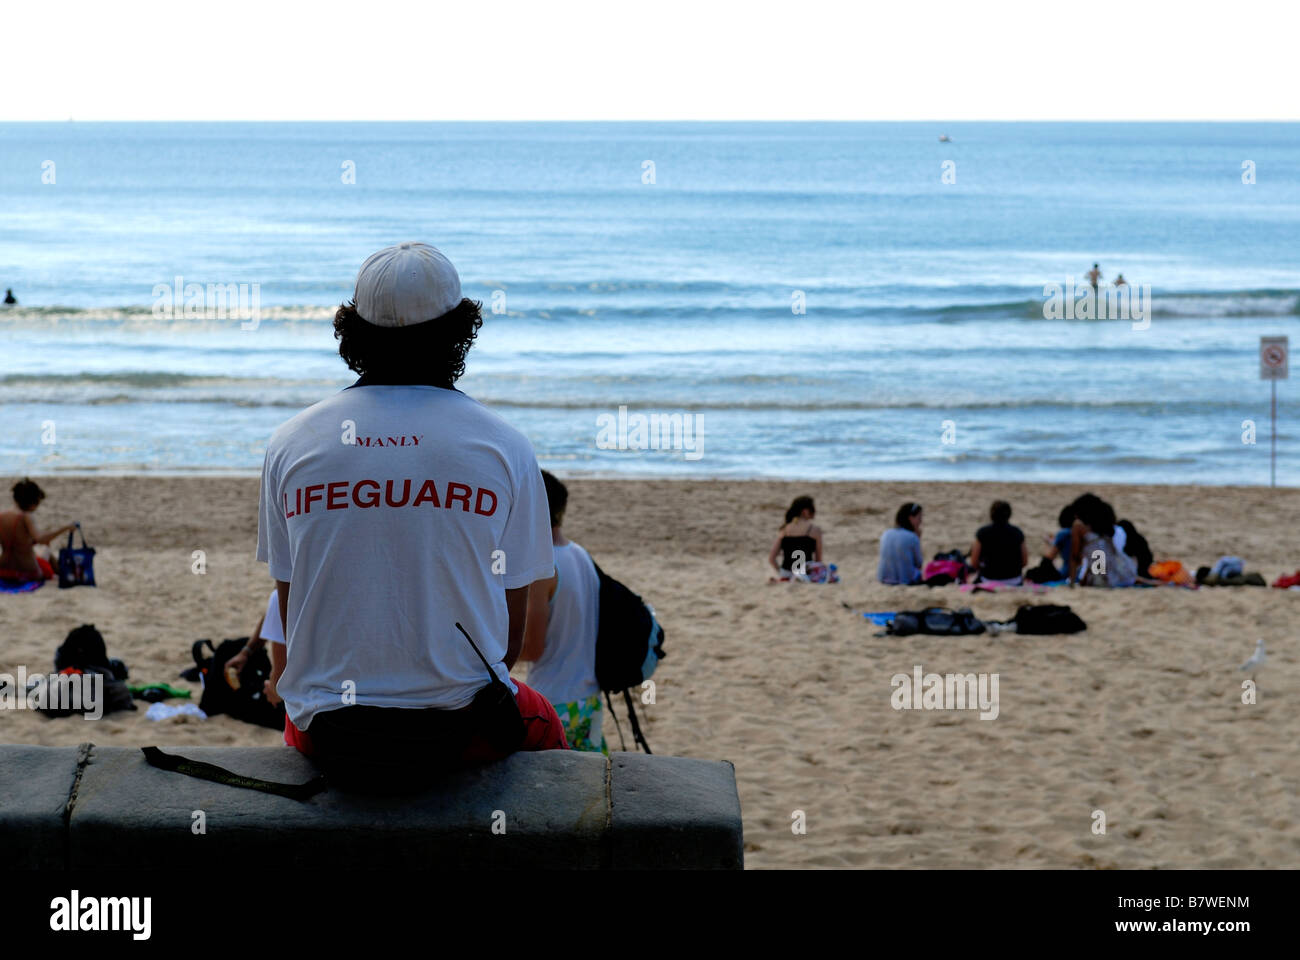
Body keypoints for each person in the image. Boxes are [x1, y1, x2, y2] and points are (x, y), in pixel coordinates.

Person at [256, 242, 568, 794]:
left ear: (351, 330)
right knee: (548, 727)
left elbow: (292, 607)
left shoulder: (291, 442)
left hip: (328, 730)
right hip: (458, 726)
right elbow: (509, 644)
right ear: (460, 333)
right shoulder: (505, 446)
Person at [518, 471, 606, 753]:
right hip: (588, 698)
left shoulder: (543, 567)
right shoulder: (581, 554)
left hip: (552, 702)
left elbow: (532, 649)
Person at [0, 479, 77, 581]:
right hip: (27, 572)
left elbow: (13, 541)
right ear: (32, 502)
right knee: (46, 550)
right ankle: (64, 574)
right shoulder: (25, 516)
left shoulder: (2, 516)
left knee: (42, 550)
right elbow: (41, 539)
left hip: (4, 571)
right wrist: (65, 528)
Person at [1072, 494, 1136, 587]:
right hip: (1119, 572)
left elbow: (1075, 557)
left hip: (1102, 576)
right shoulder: (1104, 528)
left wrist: (1072, 582)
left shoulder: (1079, 527)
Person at [969, 500, 1027, 584]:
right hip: (1014, 579)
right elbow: (1024, 562)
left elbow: (974, 562)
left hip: (989, 579)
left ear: (991, 515)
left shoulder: (983, 532)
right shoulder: (1017, 532)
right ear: (1009, 515)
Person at [767, 495, 823, 575]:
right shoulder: (815, 530)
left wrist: (781, 573)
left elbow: (771, 559)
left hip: (786, 573)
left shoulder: (785, 530)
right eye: (812, 509)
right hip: (806, 574)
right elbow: (818, 561)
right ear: (805, 511)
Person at [877, 502, 924, 585]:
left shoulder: (886, 533)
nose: (921, 521)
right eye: (919, 517)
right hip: (905, 579)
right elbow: (919, 564)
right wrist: (918, 539)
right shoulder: (912, 537)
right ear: (911, 518)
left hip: (883, 578)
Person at [1041, 505, 1076, 579]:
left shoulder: (1064, 533)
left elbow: (1049, 557)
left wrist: (1047, 543)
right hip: (1083, 574)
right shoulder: (1085, 533)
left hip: (1067, 573)